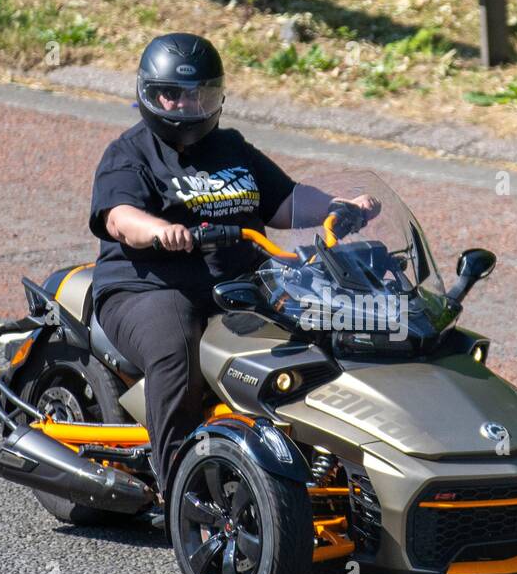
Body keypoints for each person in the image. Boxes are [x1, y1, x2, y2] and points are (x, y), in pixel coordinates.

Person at [89, 32, 377, 501]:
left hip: (240, 283)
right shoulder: (130, 153)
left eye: (199, 94)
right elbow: (119, 218)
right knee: (177, 351)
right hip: (150, 288)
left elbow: (285, 201)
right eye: (173, 95)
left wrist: (337, 206)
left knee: (321, 325)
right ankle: (181, 489)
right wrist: (160, 230)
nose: (186, 106)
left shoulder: (231, 147)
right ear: (149, 93)